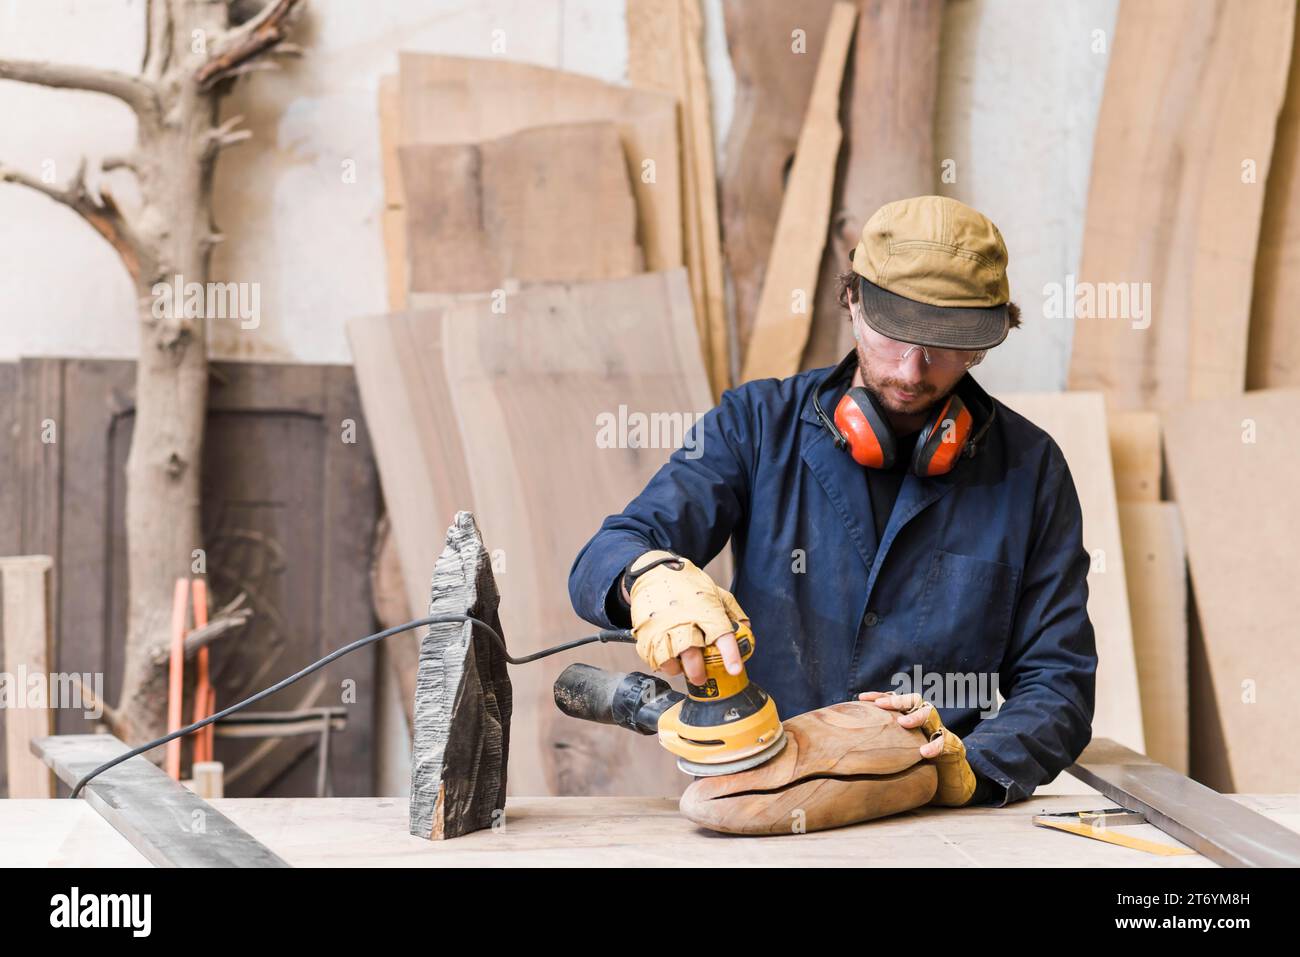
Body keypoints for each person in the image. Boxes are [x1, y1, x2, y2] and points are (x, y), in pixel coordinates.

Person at [568, 195, 1097, 807]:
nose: (912, 369)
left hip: (935, 813)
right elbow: (602, 557)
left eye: (946, 344)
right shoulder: (755, 425)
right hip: (756, 793)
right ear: (851, 301)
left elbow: (1058, 685)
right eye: (894, 333)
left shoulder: (1031, 470)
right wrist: (646, 577)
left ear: (986, 340)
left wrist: (967, 769)